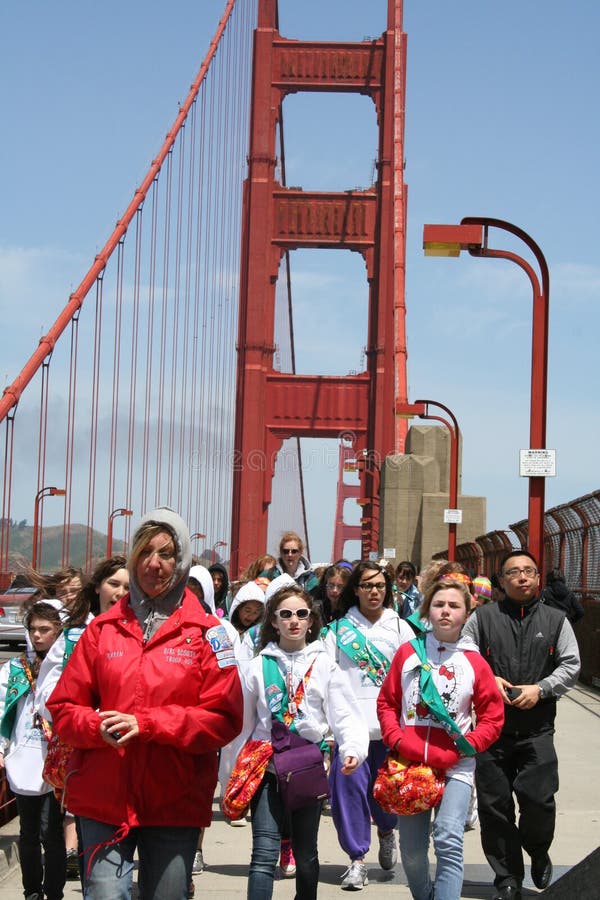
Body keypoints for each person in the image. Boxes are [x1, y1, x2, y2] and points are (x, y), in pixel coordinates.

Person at [47, 507, 243, 900]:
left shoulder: (208, 634)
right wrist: (96, 727)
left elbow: (224, 717)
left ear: (184, 559)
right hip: (104, 797)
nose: (154, 564)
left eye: (167, 553)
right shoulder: (101, 631)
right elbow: (64, 708)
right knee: (104, 895)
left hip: (174, 799)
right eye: (144, 552)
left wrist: (150, 725)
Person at [232, 584, 368, 900]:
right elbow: (243, 725)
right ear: (274, 622)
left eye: (301, 614)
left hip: (309, 768)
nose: (294, 620)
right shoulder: (256, 667)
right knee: (263, 856)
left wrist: (352, 749)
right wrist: (234, 773)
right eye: (286, 614)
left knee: (306, 854)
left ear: (310, 621)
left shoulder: (324, 665)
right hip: (267, 768)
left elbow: (344, 713)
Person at [462, 550, 581, 900]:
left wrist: (541, 689)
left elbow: (571, 665)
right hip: (490, 732)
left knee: (539, 801)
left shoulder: (557, 620)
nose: (522, 577)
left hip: (537, 729)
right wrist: (488, 678)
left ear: (538, 578)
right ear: (501, 580)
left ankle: (539, 849)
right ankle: (507, 879)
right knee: (494, 808)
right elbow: (465, 657)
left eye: (529, 570)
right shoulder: (481, 618)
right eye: (514, 572)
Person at [377, 578, 504, 900]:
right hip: (409, 762)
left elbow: (492, 715)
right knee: (413, 850)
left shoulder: (474, 661)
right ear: (427, 610)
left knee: (448, 838)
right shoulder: (408, 653)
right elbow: (387, 702)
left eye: (454, 606)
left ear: (466, 613)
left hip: (456, 765)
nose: (445, 611)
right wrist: (396, 739)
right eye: (439, 605)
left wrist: (470, 745)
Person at [323, 561, 414, 890]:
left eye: (379, 585)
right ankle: (357, 859)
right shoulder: (335, 632)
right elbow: (326, 679)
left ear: (387, 589)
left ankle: (387, 831)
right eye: (366, 585)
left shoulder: (402, 629)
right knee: (348, 793)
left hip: (391, 729)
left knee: (387, 796)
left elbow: (414, 678)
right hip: (351, 730)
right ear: (355, 590)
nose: (374, 591)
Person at [0, 599, 66, 900]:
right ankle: (32, 892)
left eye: (45, 629)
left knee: (52, 833)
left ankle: (54, 893)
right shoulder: (15, 668)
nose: (37, 636)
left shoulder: (67, 666)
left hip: (57, 761)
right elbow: (2, 708)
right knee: (28, 831)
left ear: (59, 631)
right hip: (24, 759)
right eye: (33, 629)